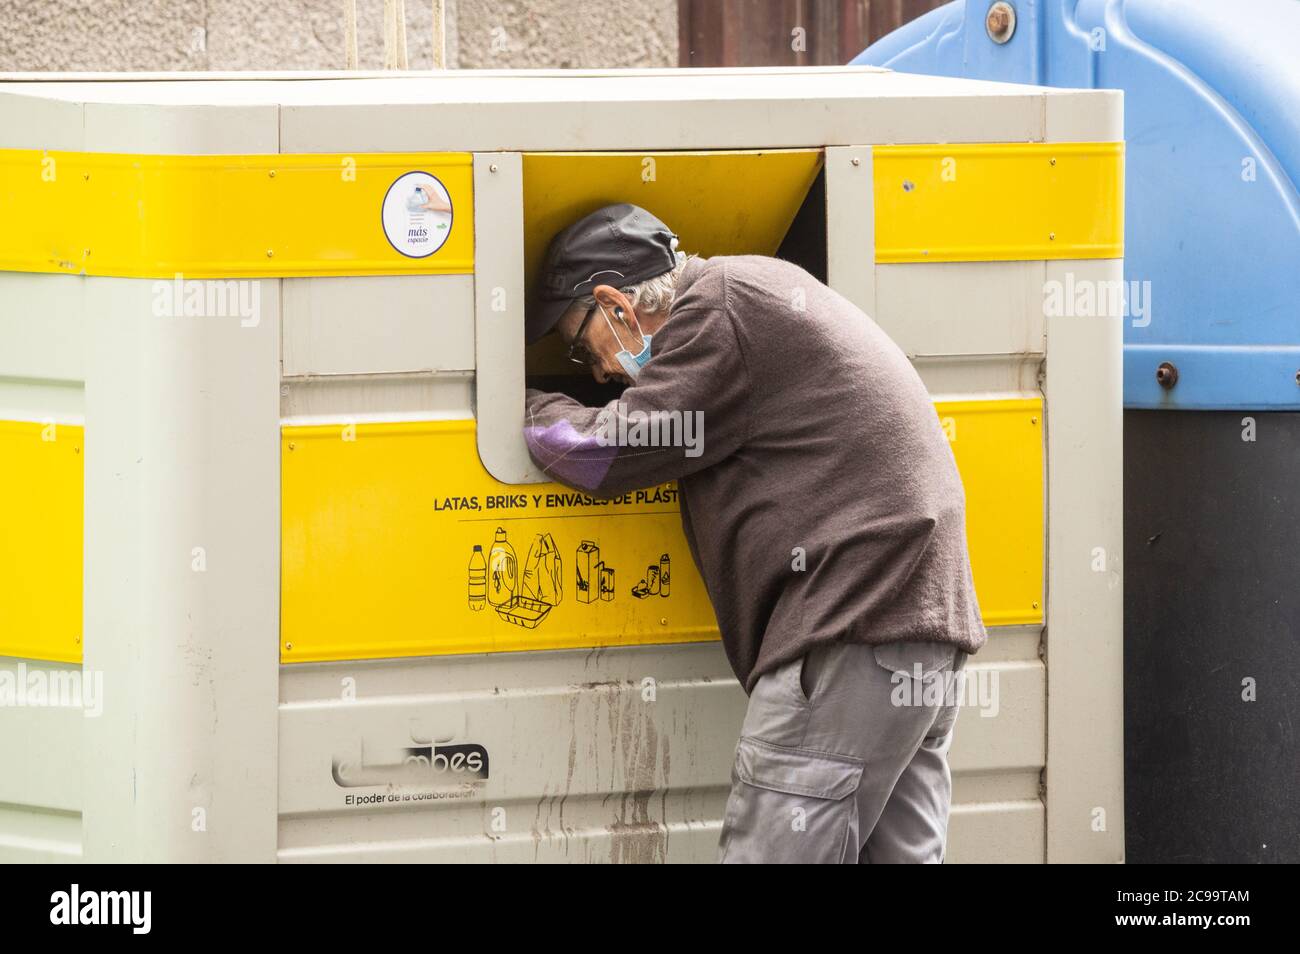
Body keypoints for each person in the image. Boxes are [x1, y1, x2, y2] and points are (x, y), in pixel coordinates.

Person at [523, 203, 986, 863]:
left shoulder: (716, 312)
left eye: (578, 343)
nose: (592, 371)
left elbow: (604, 452)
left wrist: (521, 402)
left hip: (850, 636)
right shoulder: (752, 290)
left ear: (616, 306)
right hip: (916, 643)